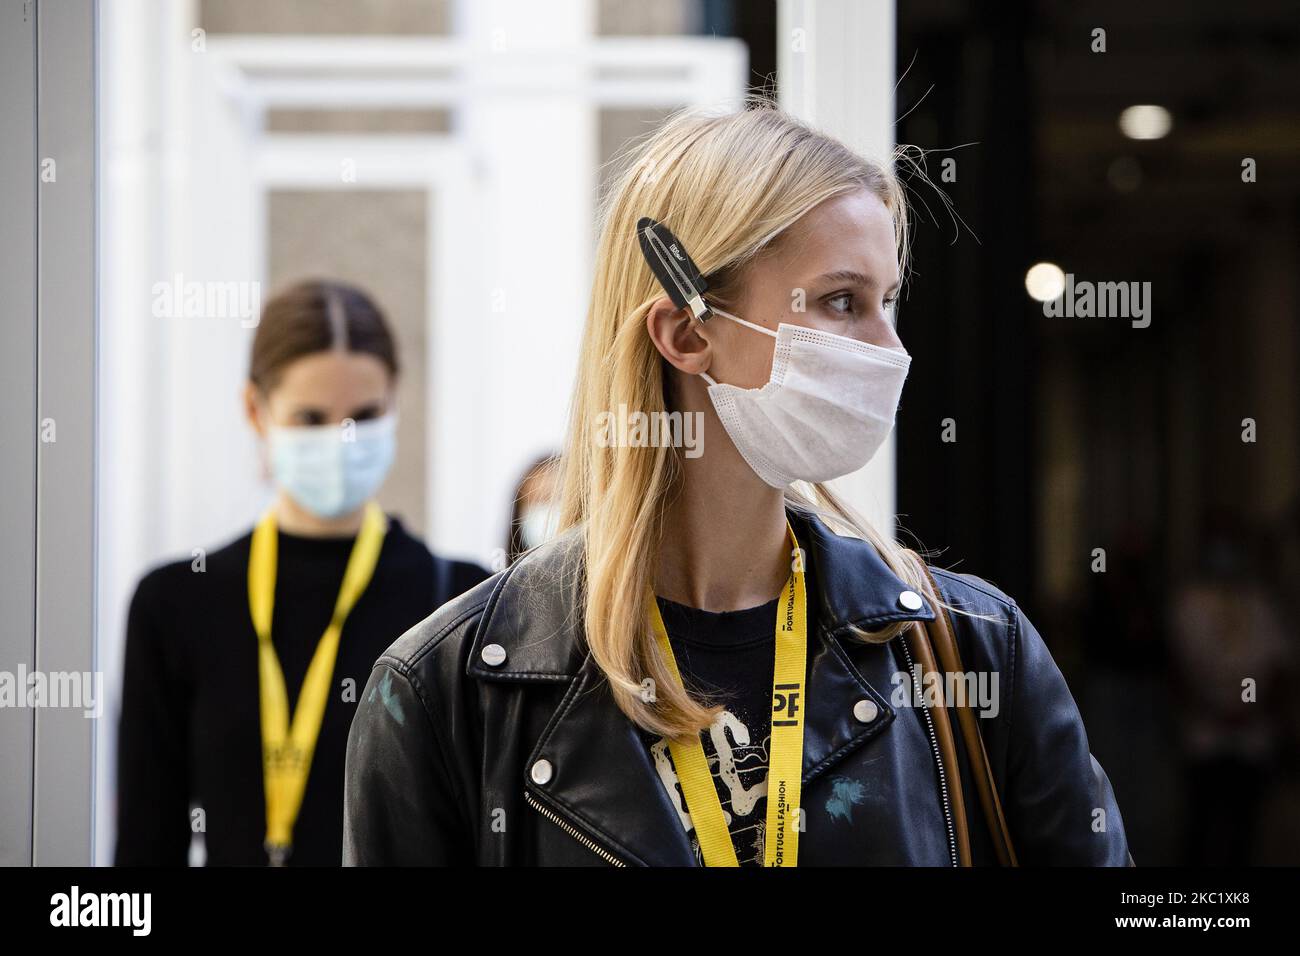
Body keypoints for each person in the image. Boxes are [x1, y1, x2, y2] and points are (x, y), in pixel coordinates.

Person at [343, 103, 1133, 866]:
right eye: (841, 301)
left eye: (887, 302)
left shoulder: (970, 647)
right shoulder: (449, 690)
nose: (889, 349)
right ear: (687, 333)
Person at [115, 279, 489, 866]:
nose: (339, 441)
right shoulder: (176, 602)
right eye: (310, 418)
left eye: (363, 416)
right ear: (254, 410)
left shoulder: (462, 600)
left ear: (395, 403)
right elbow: (144, 844)